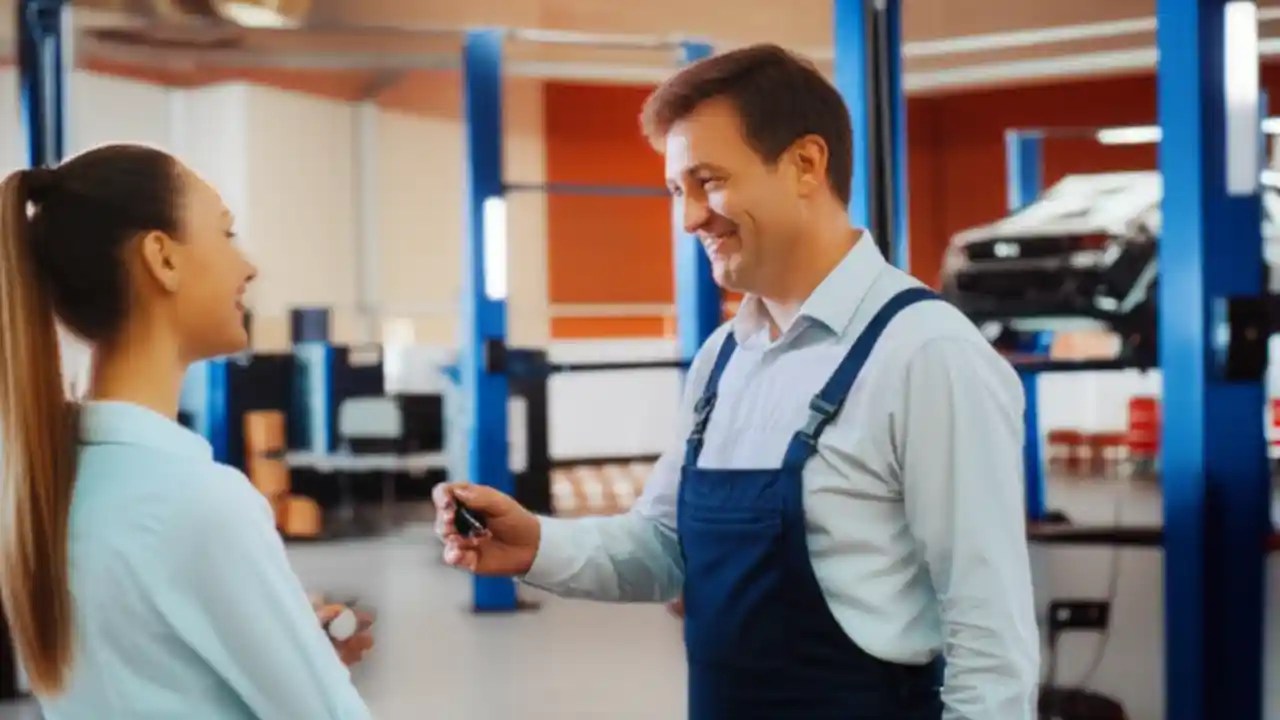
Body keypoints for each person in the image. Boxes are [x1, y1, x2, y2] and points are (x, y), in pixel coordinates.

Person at [435, 44, 1040, 720]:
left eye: (709, 180)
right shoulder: (726, 358)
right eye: (676, 190)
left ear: (806, 164)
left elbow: (989, 630)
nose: (689, 217)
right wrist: (535, 543)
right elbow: (666, 548)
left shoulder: (926, 354)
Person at [0, 144, 374, 719]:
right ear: (162, 259)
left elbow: (144, 676)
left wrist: (293, 649)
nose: (248, 267)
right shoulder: (198, 501)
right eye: (225, 234)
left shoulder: (47, 488)